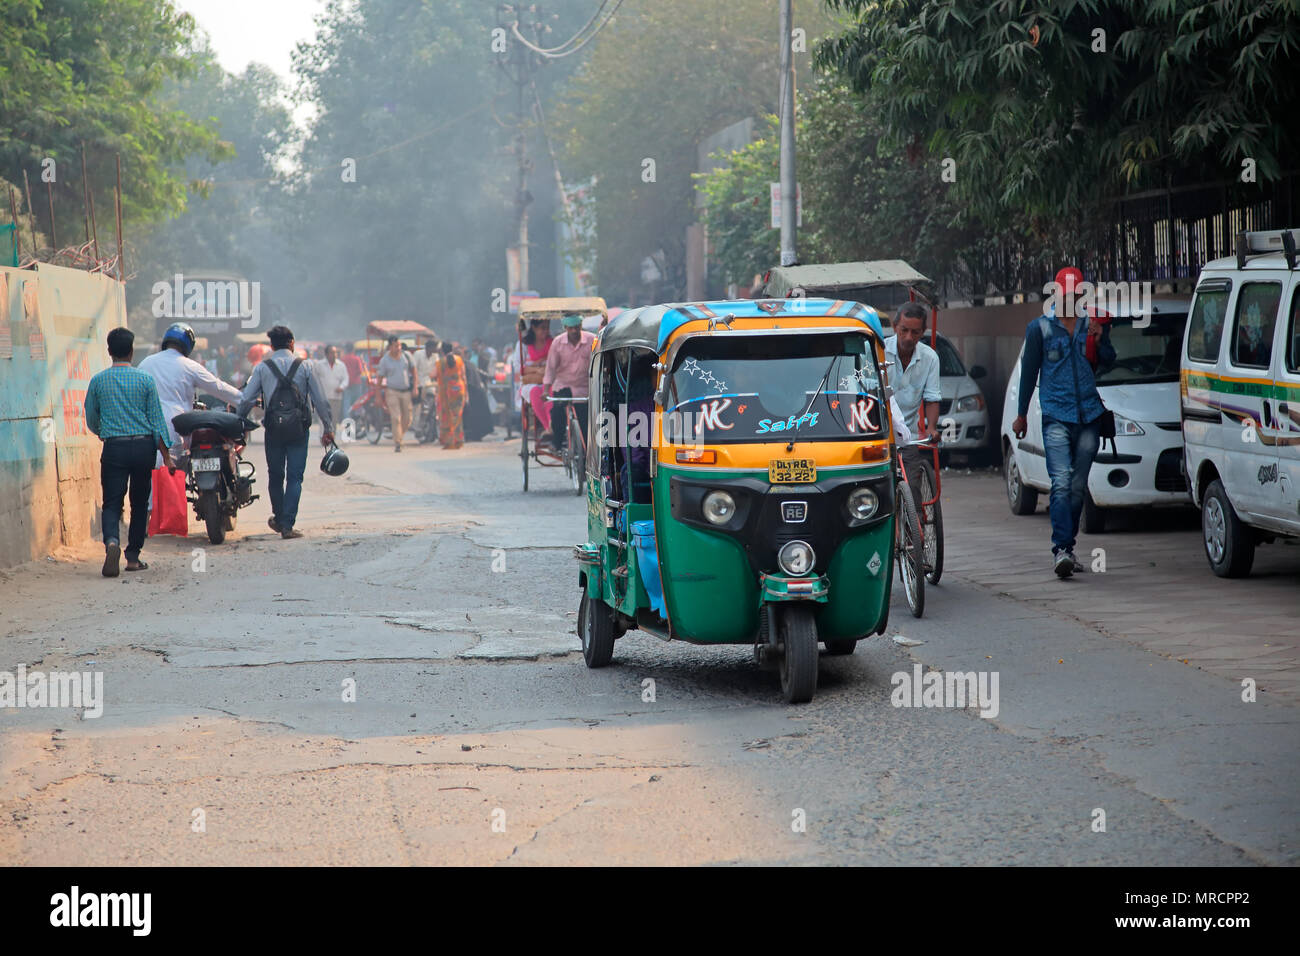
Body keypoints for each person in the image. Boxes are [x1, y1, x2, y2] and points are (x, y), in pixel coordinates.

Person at [1012, 266, 1116, 578]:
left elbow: (1109, 362)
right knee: (1059, 482)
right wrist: (1021, 415)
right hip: (1056, 414)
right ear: (1056, 294)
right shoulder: (1039, 329)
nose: (1071, 298)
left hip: (1089, 415)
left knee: (1076, 486)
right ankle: (1061, 550)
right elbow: (1029, 373)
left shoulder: (1091, 324)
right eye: (1065, 293)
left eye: (1076, 293)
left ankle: (1068, 546)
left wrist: (1101, 339)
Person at [84, 327, 175, 576]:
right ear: (131, 351)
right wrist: (166, 455)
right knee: (138, 502)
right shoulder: (145, 379)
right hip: (143, 447)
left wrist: (103, 431)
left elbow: (91, 417)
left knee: (112, 502)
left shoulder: (98, 380)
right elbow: (157, 420)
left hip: (115, 447)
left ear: (109, 351)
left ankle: (112, 541)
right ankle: (133, 557)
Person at [235, 325, 334, 539]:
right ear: (292, 343)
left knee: (275, 475)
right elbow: (321, 400)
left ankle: (279, 519)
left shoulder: (262, 368)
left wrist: (238, 422)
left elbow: (247, 399)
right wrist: (329, 427)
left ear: (271, 345)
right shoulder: (306, 366)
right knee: (295, 478)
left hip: (274, 430)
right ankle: (288, 525)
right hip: (299, 430)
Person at [138, 322, 243, 452]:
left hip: (147, 432)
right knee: (179, 469)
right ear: (189, 344)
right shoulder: (190, 366)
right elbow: (218, 387)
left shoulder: (146, 363)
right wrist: (245, 400)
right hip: (177, 430)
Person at [884, 303, 941, 514]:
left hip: (907, 435)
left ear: (922, 332)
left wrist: (932, 428)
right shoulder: (878, 351)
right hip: (879, 434)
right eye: (904, 330)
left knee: (913, 486)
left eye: (915, 332)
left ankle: (913, 533)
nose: (908, 337)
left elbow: (932, 398)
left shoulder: (930, 358)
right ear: (895, 326)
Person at [544, 313, 595, 449]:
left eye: (576, 327)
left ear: (580, 326)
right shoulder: (557, 342)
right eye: (570, 328)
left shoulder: (592, 340)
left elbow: (599, 364)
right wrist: (545, 390)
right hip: (563, 386)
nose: (574, 331)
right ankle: (557, 443)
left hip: (585, 388)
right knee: (557, 415)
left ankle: (588, 450)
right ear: (565, 327)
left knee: (587, 422)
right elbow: (550, 368)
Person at [376, 336, 418, 452]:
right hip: (392, 391)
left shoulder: (407, 356)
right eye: (396, 346)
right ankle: (398, 443)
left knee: (408, 419)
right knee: (396, 418)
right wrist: (378, 395)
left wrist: (415, 387)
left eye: (399, 345)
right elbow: (379, 379)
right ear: (390, 347)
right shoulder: (384, 360)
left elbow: (414, 373)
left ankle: (399, 435)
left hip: (406, 391)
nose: (398, 348)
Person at [518, 318, 553, 439]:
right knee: (535, 392)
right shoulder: (523, 345)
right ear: (533, 327)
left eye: (547, 327)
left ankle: (552, 424)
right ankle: (548, 428)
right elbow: (519, 368)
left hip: (550, 380)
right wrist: (537, 369)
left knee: (548, 392)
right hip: (531, 383)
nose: (546, 331)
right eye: (542, 328)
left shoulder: (553, 342)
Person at [434, 340, 467, 448]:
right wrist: (466, 394)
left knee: (446, 416)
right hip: (459, 390)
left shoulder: (440, 362)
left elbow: (434, 375)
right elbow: (463, 376)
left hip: (446, 391)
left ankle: (449, 441)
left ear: (442, 351)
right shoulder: (459, 360)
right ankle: (459, 440)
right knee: (457, 415)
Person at [312, 344, 350, 428]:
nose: (334, 355)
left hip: (336, 397)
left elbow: (346, 379)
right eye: (332, 352)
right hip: (323, 398)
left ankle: (331, 439)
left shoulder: (341, 365)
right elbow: (314, 378)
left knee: (334, 420)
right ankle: (323, 439)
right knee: (323, 421)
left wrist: (342, 387)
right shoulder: (319, 365)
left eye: (335, 352)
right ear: (326, 354)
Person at [341, 344, 365, 414]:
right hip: (356, 383)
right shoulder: (356, 359)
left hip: (346, 384)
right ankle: (357, 418)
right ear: (353, 350)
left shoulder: (343, 359)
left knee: (346, 403)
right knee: (357, 402)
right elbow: (360, 371)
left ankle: (347, 420)